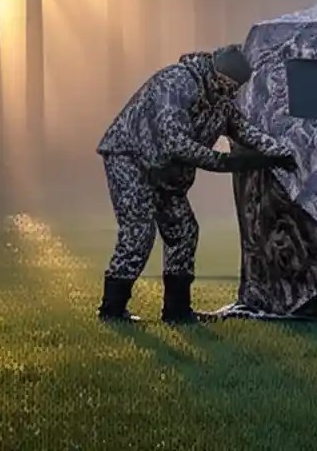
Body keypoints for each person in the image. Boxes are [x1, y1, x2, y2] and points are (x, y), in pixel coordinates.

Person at [95, 44, 294, 323]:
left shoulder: (221, 95)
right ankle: (112, 310)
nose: (232, 92)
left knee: (184, 230)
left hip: (168, 172)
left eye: (237, 87)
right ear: (217, 73)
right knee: (138, 232)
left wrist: (275, 151)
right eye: (230, 85)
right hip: (131, 159)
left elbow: (239, 127)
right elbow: (175, 141)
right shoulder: (176, 83)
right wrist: (223, 162)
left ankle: (177, 311)